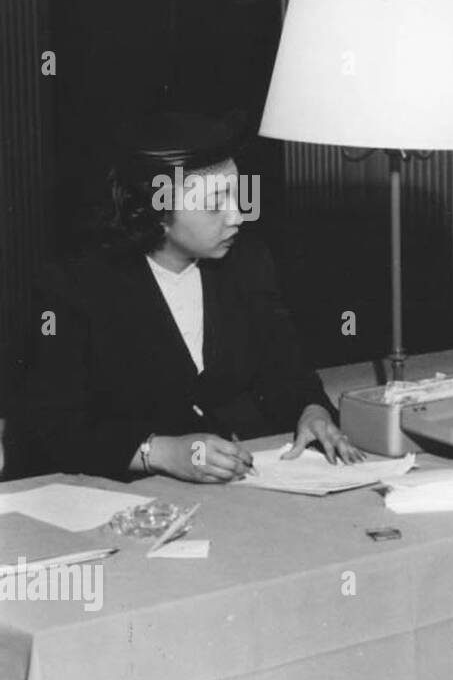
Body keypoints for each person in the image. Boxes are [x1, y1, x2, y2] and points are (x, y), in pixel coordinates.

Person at [15, 111, 361, 483]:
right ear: (154, 211)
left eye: (240, 195)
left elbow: (289, 373)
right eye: (215, 204)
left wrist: (313, 412)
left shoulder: (248, 260)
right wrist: (160, 452)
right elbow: (50, 430)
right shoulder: (73, 287)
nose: (238, 216)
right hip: (130, 497)